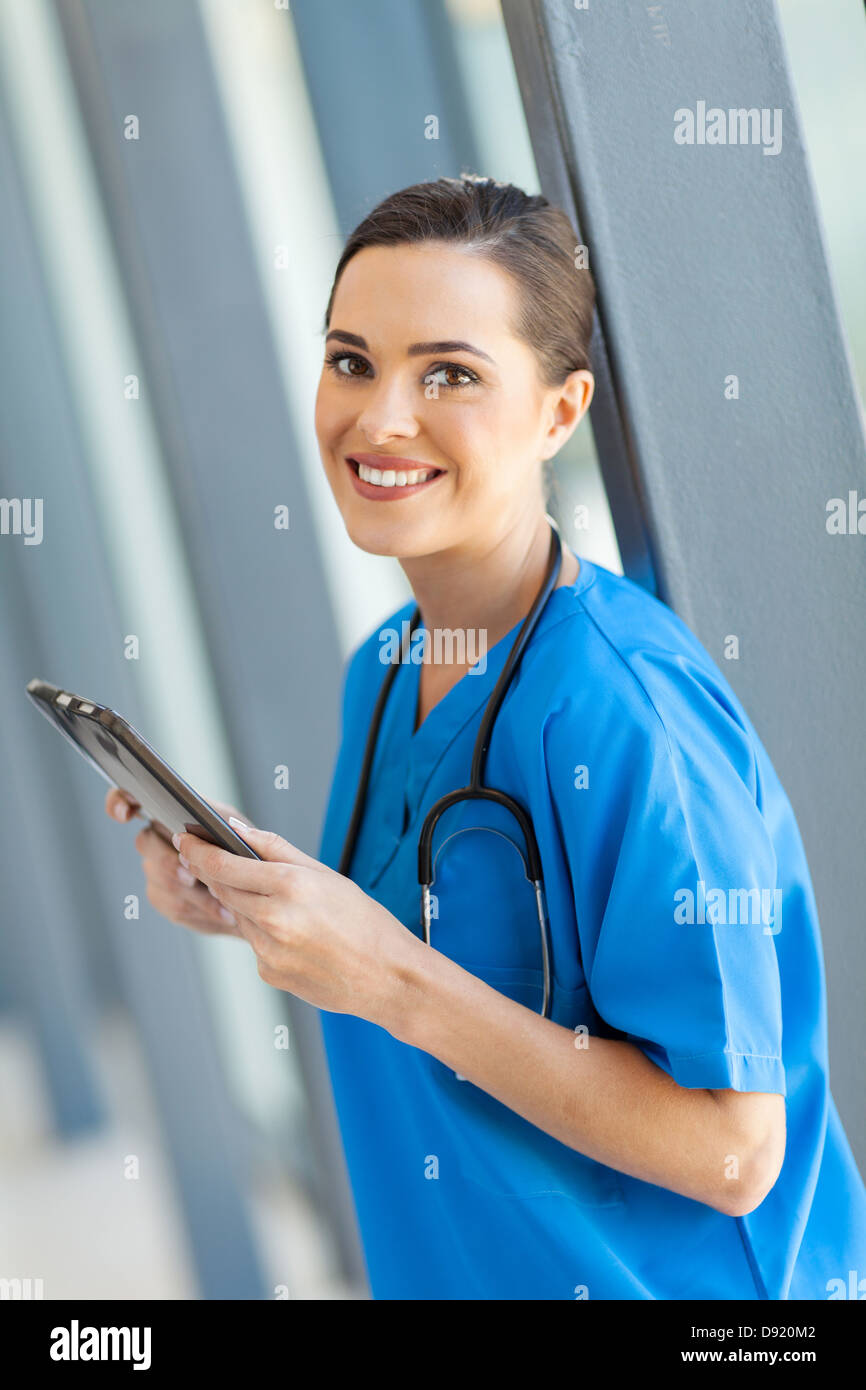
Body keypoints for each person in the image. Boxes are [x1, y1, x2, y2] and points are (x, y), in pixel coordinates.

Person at [107, 174, 866, 1300]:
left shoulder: (624, 708)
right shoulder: (385, 672)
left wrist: (382, 974)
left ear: (559, 412)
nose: (379, 419)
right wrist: (252, 909)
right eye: (351, 359)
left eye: (448, 373)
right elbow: (424, 954)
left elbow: (735, 1151)